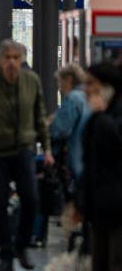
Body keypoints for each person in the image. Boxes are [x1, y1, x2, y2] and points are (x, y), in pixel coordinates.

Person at [0, 39, 53, 271]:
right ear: (0, 60)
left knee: (31, 198)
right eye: (7, 58)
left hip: (23, 149)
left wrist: (46, 148)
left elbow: (40, 116)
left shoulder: (32, 81)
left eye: (16, 58)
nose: (12, 63)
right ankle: (5, 255)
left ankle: (22, 245)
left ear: (22, 59)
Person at [80, 62, 122, 271]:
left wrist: (101, 116)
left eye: (91, 84)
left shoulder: (110, 115)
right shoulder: (96, 117)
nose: (85, 89)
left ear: (106, 87)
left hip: (116, 207)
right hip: (101, 206)